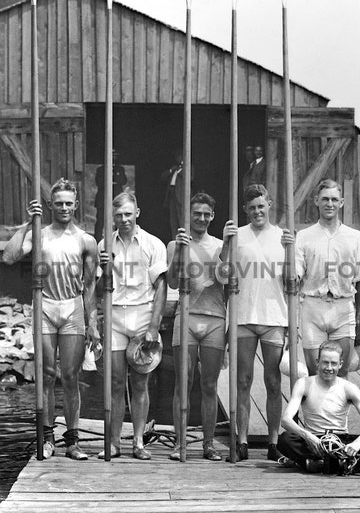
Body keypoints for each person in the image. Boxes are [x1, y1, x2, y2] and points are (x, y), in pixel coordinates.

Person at [2, 178, 99, 460]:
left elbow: (90, 284)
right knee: (45, 376)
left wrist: (92, 322)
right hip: (44, 306)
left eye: (69, 203)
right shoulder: (40, 233)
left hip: (72, 309)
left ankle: (73, 441)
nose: (64, 208)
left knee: (70, 377)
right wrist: (27, 222)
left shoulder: (86, 240)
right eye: (59, 204)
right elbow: (9, 256)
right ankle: (47, 439)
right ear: (50, 206)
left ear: (76, 205)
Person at [219, 184, 291, 462]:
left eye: (261, 206)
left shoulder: (283, 237)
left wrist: (292, 326)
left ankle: (273, 442)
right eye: (251, 208)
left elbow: (294, 279)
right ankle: (243, 441)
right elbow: (223, 275)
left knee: (273, 382)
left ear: (269, 204)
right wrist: (226, 244)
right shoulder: (238, 236)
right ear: (245, 211)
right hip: (244, 316)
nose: (257, 211)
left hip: (274, 316)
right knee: (243, 381)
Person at [96, 191, 167, 460]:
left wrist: (153, 326)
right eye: (118, 215)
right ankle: (113, 442)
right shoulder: (106, 244)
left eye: (128, 214)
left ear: (137, 213)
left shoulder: (153, 244)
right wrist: (104, 268)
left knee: (140, 383)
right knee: (114, 383)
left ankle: (138, 442)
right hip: (115, 317)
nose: (123, 219)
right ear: (113, 217)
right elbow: (100, 288)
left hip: (141, 316)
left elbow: (161, 288)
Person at [166, 192, 226, 461]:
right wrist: (180, 249)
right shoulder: (175, 244)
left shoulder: (221, 245)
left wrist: (229, 250)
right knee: (183, 383)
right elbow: (171, 282)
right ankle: (180, 443)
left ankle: (209, 444)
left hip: (214, 318)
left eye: (206, 214)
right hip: (186, 317)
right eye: (196, 214)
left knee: (210, 385)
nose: (201, 218)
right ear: (188, 215)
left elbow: (227, 280)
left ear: (212, 216)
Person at [288, 179, 360, 377]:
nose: (329, 204)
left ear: (341, 202)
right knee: (316, 373)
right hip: (313, 307)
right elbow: (294, 277)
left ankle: (340, 409)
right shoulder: (304, 237)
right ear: (316, 201)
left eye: (333, 199)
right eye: (324, 199)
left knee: (342, 372)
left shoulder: (355, 237)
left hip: (343, 307)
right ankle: (313, 409)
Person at [276, 341, 360, 472]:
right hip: (315, 441)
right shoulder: (303, 384)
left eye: (333, 363)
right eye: (325, 362)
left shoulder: (349, 388)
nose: (329, 368)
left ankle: (320, 464)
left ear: (340, 364)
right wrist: (308, 436)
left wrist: (357, 444)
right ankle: (349, 464)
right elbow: (285, 420)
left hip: (341, 441)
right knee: (284, 439)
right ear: (317, 362)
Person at [94, 149, 127, 241]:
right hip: (103, 197)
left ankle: (118, 239)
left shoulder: (120, 169)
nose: (113, 157)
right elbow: (98, 182)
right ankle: (97, 240)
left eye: (114, 155)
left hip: (117, 197)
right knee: (100, 220)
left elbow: (124, 181)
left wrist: (115, 175)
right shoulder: (100, 169)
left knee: (119, 218)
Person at [161, 150, 185, 240]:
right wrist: (172, 170)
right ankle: (174, 240)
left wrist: (180, 171)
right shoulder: (174, 168)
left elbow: (191, 177)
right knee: (173, 219)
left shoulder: (188, 167)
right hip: (172, 196)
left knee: (181, 219)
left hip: (181, 197)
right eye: (176, 157)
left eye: (179, 156)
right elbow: (163, 177)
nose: (177, 158)